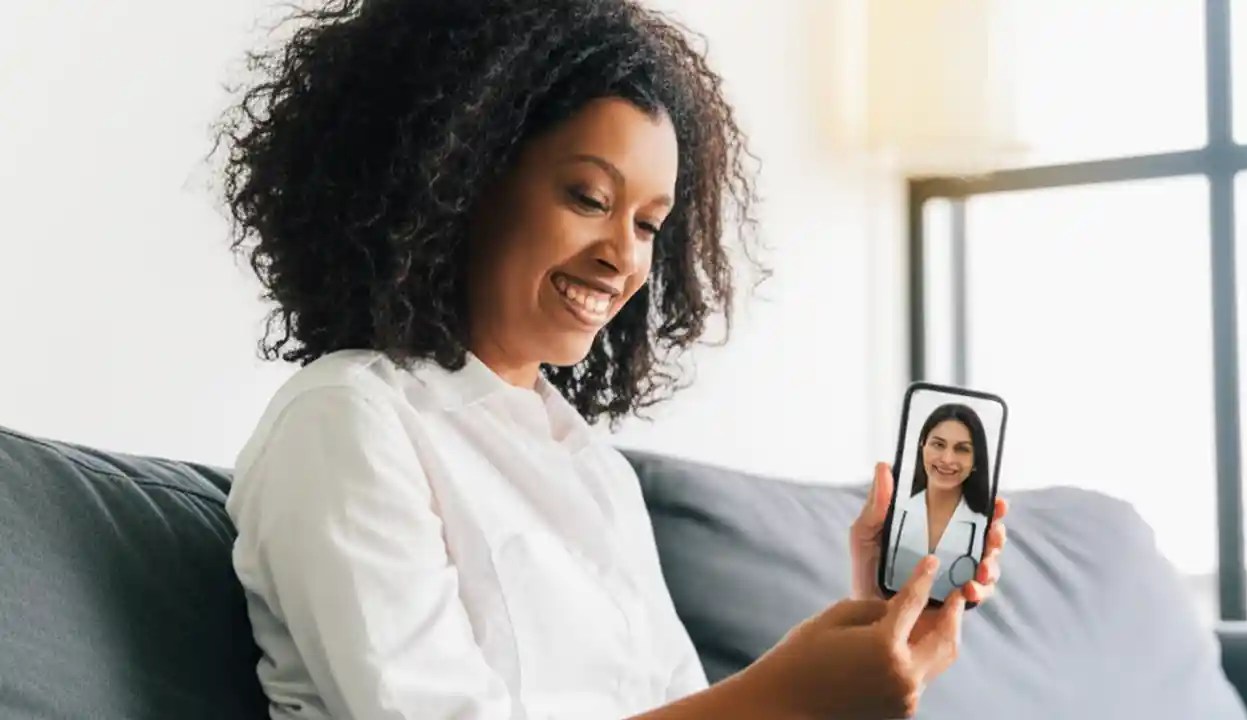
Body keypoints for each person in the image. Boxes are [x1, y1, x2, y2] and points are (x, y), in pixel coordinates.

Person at [215, 1, 1009, 718]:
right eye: (590, 199)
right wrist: (788, 696)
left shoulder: (595, 471)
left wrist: (869, 636)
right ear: (459, 179)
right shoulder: (349, 420)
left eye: (650, 224)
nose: (622, 259)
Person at [887, 403, 993, 598]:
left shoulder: (983, 526)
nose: (947, 458)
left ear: (976, 460)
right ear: (922, 446)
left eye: (962, 449)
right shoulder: (895, 515)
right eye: (938, 444)